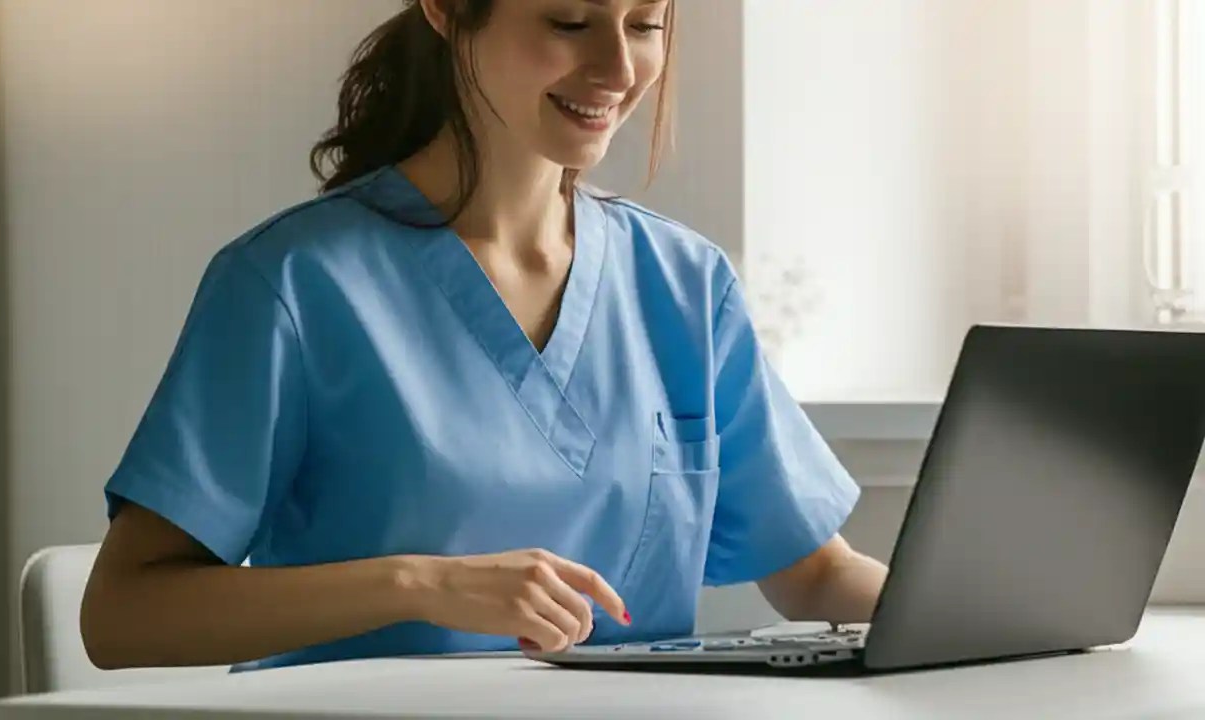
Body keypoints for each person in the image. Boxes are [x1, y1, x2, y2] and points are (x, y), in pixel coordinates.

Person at [80, 0, 887, 673]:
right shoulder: (294, 283)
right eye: (571, 20)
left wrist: (996, 616)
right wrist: (420, 585)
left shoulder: (684, 284)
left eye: (646, 23)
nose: (619, 68)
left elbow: (817, 573)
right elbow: (121, 616)